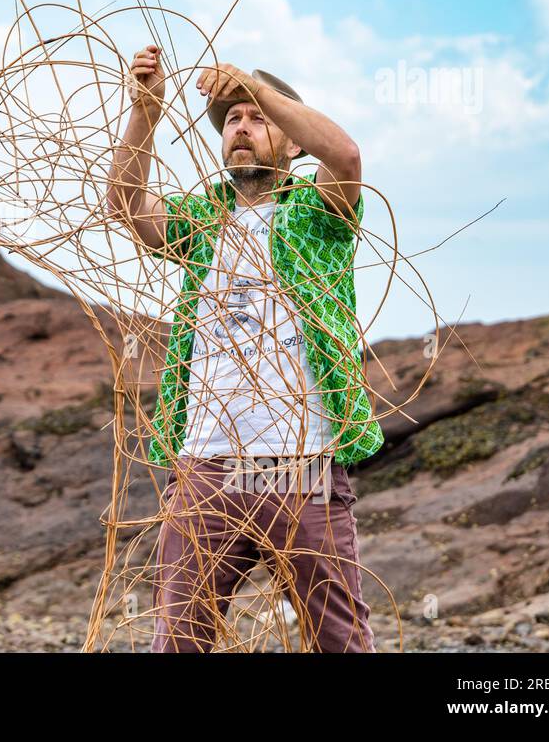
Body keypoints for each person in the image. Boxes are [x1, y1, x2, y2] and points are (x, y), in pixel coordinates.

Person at [106, 45, 384, 652]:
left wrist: (260, 91)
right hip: (204, 465)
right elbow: (126, 207)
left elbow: (347, 154)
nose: (241, 125)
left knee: (339, 640)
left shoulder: (317, 211)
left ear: (292, 142)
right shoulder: (202, 218)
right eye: (231, 117)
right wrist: (145, 114)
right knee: (179, 642)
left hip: (302, 465)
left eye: (257, 118)